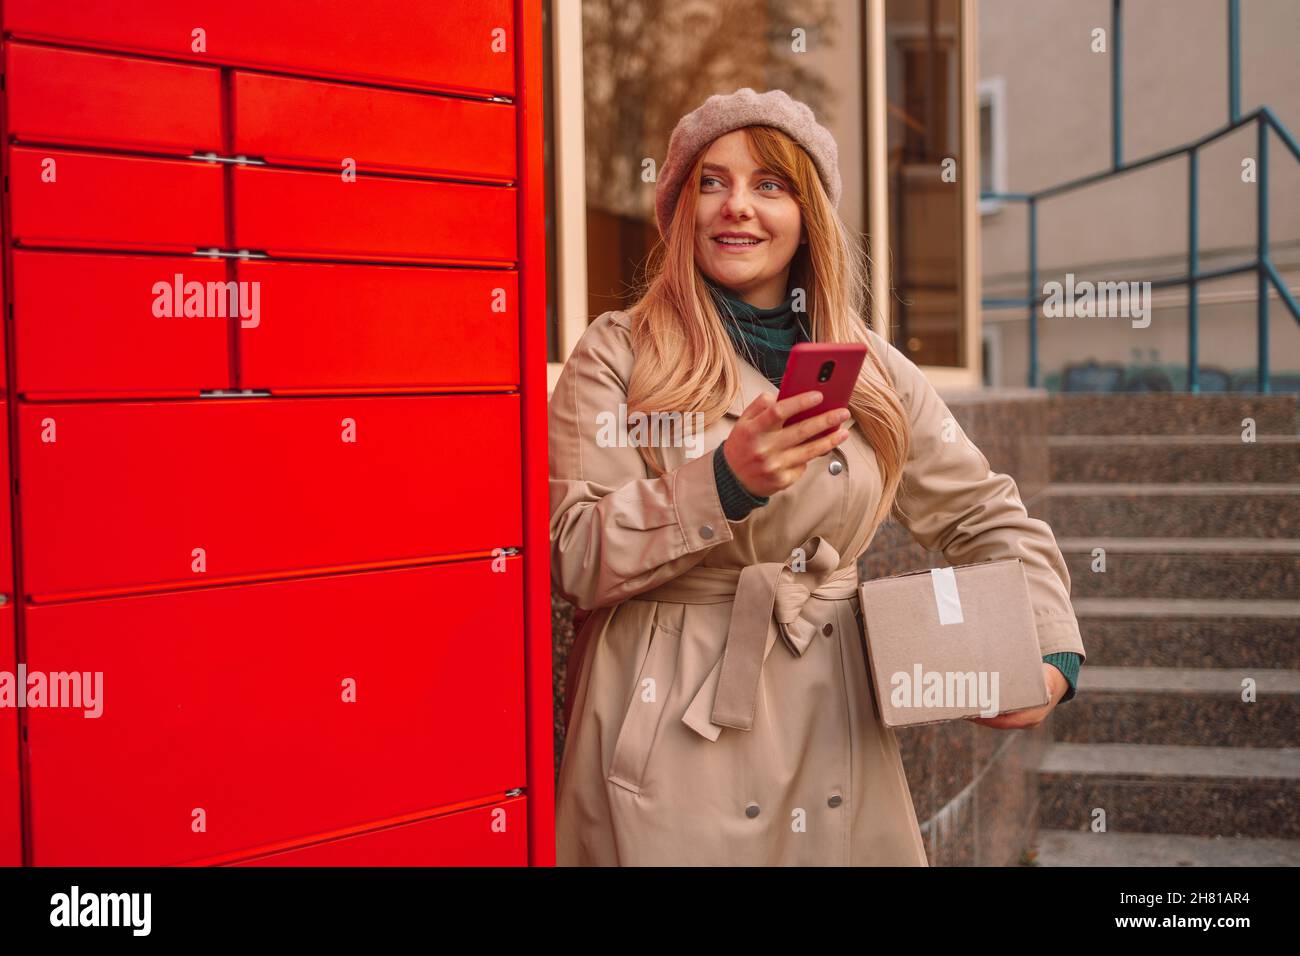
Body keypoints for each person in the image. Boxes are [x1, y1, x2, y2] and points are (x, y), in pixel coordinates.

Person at [549, 88, 1084, 866]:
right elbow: (573, 553)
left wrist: (1045, 649)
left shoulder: (872, 370)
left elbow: (983, 512)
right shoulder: (617, 353)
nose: (737, 207)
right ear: (678, 208)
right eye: (712, 182)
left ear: (808, 216)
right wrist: (723, 483)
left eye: (770, 184)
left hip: (840, 728)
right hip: (666, 733)